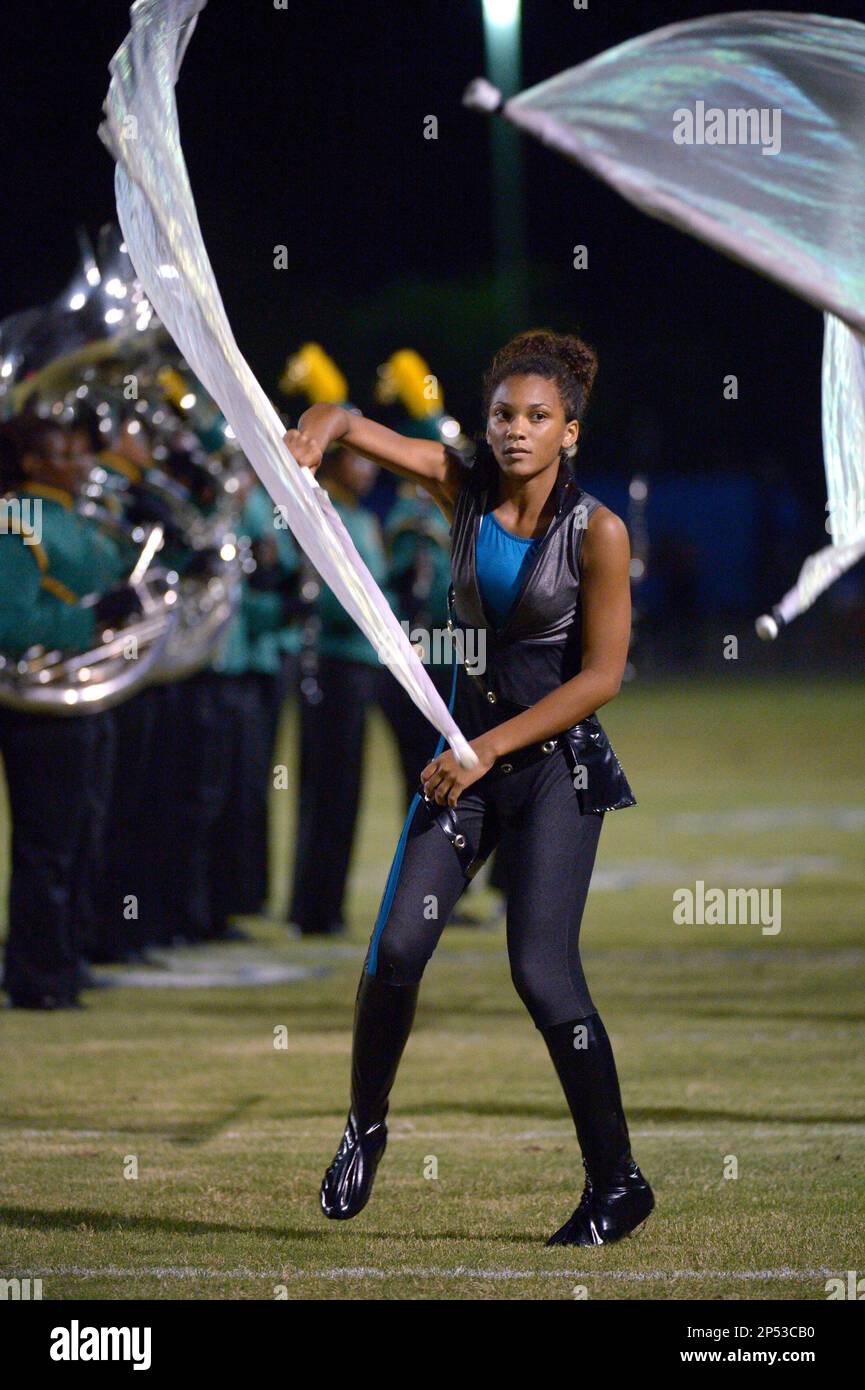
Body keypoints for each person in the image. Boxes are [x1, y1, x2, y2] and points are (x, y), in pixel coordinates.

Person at [282, 329, 655, 1247]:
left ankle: (617, 1183)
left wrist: (484, 747)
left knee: (540, 970)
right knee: (395, 952)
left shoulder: (597, 532)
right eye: (502, 415)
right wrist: (312, 428)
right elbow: (353, 425)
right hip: (470, 770)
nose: (515, 431)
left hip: (549, 775)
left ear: (570, 430)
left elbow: (601, 676)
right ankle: (365, 1125)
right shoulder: (462, 486)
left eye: (537, 417)